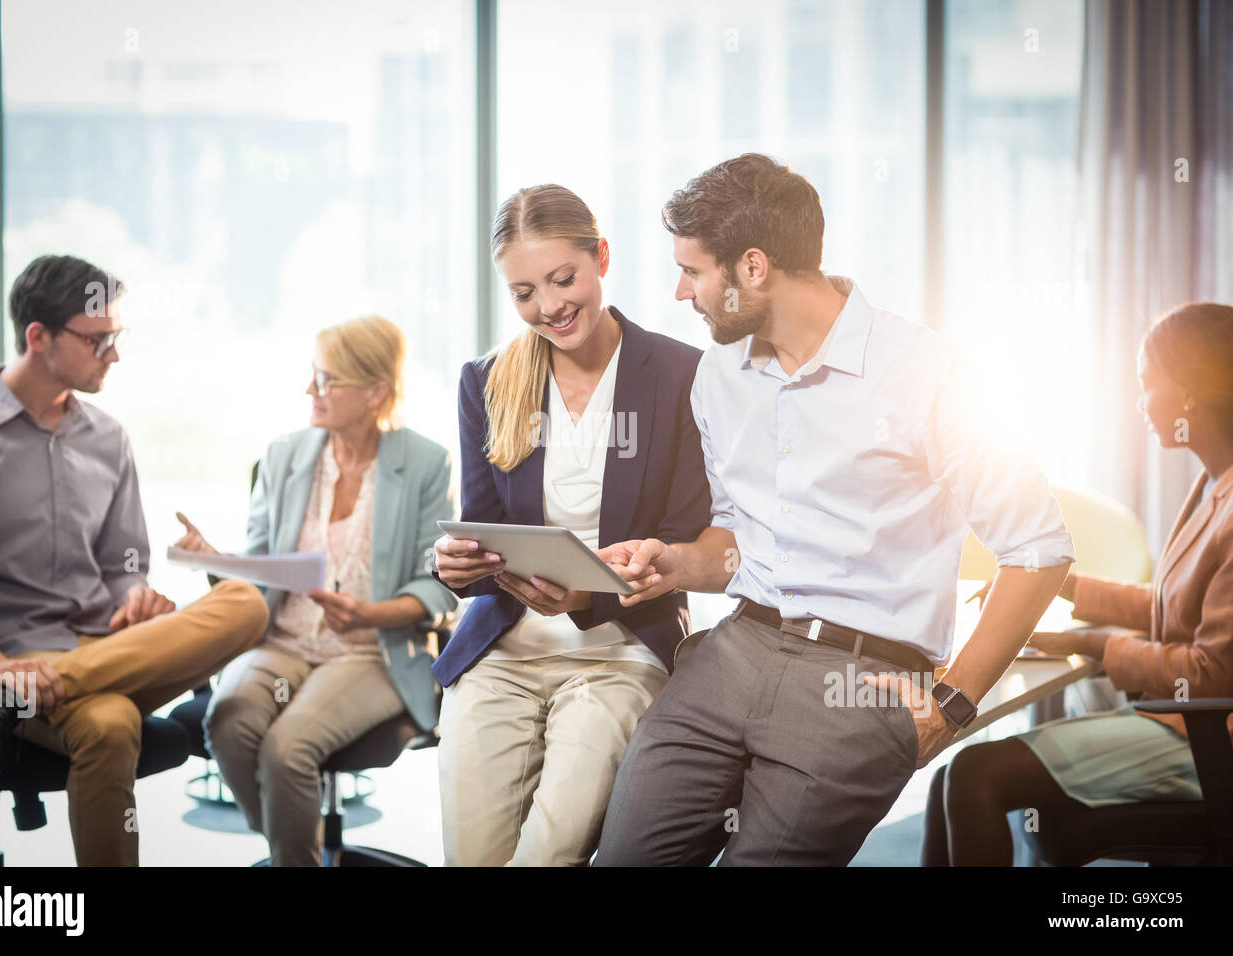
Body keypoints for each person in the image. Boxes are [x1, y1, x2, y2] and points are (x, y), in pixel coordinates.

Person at [592, 153, 1076, 866]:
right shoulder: (720, 375)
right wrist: (677, 562)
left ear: (753, 268)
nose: (679, 291)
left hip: (859, 683)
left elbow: (1037, 549)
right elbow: (733, 537)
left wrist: (954, 704)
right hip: (732, 654)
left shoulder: (930, 374)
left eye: (693, 271)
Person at [0, 254, 270, 867]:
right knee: (111, 724)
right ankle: (1, 695)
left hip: (97, 649)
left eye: (116, 338)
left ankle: (5, 712)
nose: (112, 354)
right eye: (97, 340)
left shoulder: (107, 437)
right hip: (7, 655)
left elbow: (122, 565)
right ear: (38, 337)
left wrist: (133, 595)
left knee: (246, 601)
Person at [431, 184, 711, 866]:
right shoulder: (488, 380)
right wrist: (457, 565)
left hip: (618, 652)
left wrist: (589, 595)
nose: (549, 307)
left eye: (563, 279)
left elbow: (684, 538)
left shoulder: (680, 375)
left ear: (601, 259)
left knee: (548, 853)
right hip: (504, 651)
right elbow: (485, 526)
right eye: (524, 292)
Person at [922, 302, 1233, 866]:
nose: (1141, 404)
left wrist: (1087, 643)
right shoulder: (1215, 482)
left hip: (1210, 741)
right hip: (1185, 725)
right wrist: (1057, 583)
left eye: (1147, 386)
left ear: (1187, 394)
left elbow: (1210, 674)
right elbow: (1173, 608)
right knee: (950, 774)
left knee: (974, 774)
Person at [176, 316, 458, 867]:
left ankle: (291, 856)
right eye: (313, 376)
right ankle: (292, 854)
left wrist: (370, 613)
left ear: (376, 391)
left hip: (372, 650)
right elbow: (261, 567)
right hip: (281, 642)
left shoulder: (426, 463)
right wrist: (214, 559)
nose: (311, 390)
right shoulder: (284, 456)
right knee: (227, 722)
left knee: (288, 750)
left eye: (327, 380)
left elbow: (442, 584)